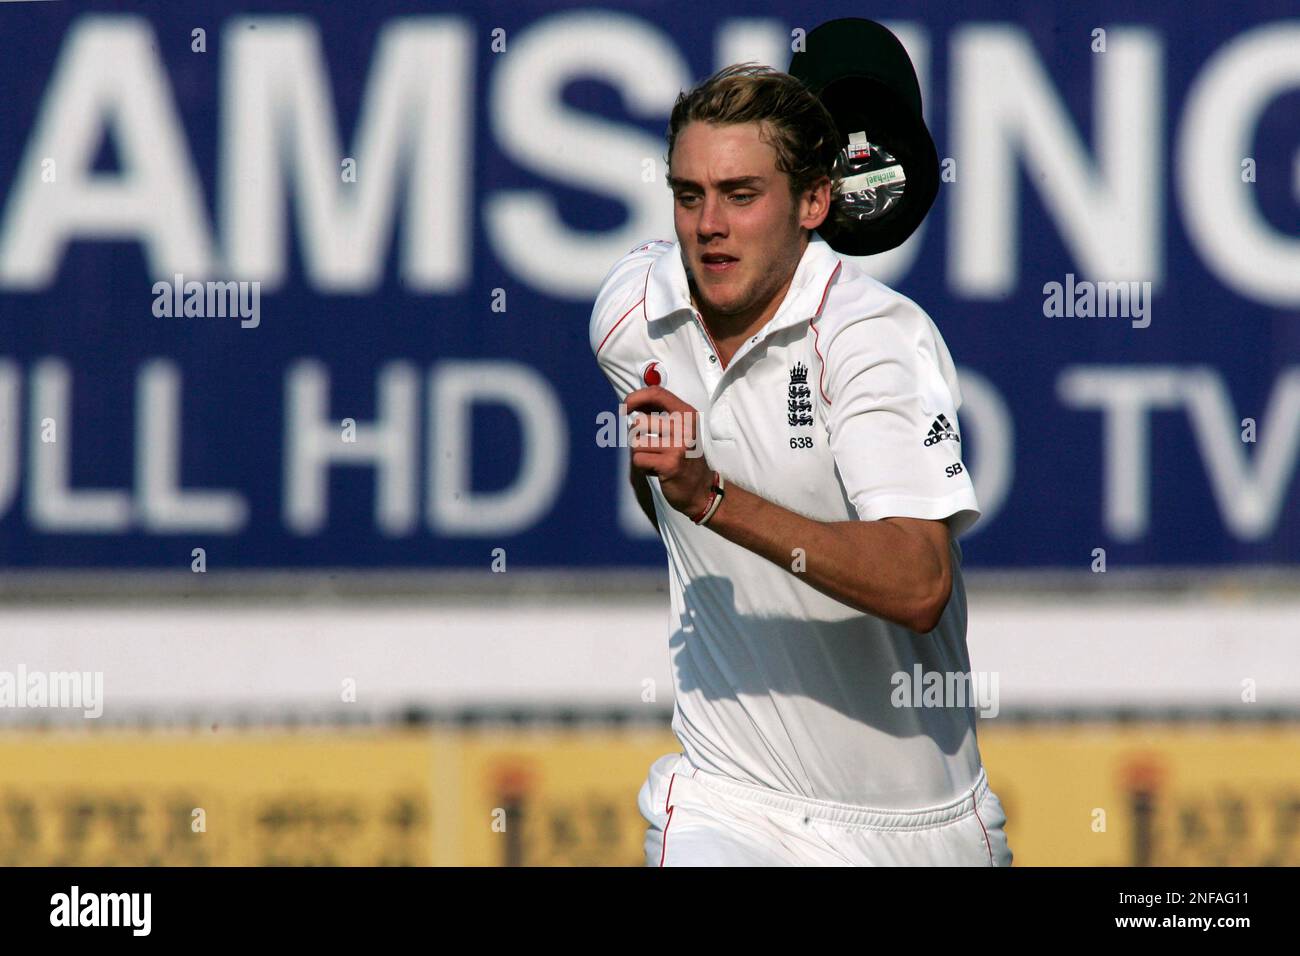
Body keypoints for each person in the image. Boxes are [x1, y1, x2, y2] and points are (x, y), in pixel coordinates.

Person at [589, 63, 1011, 866]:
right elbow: (666, 485)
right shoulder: (627, 317)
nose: (708, 224)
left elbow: (920, 586)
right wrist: (670, 477)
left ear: (815, 203)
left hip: (922, 831)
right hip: (728, 803)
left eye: (742, 195)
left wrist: (709, 494)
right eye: (688, 195)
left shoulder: (875, 339)